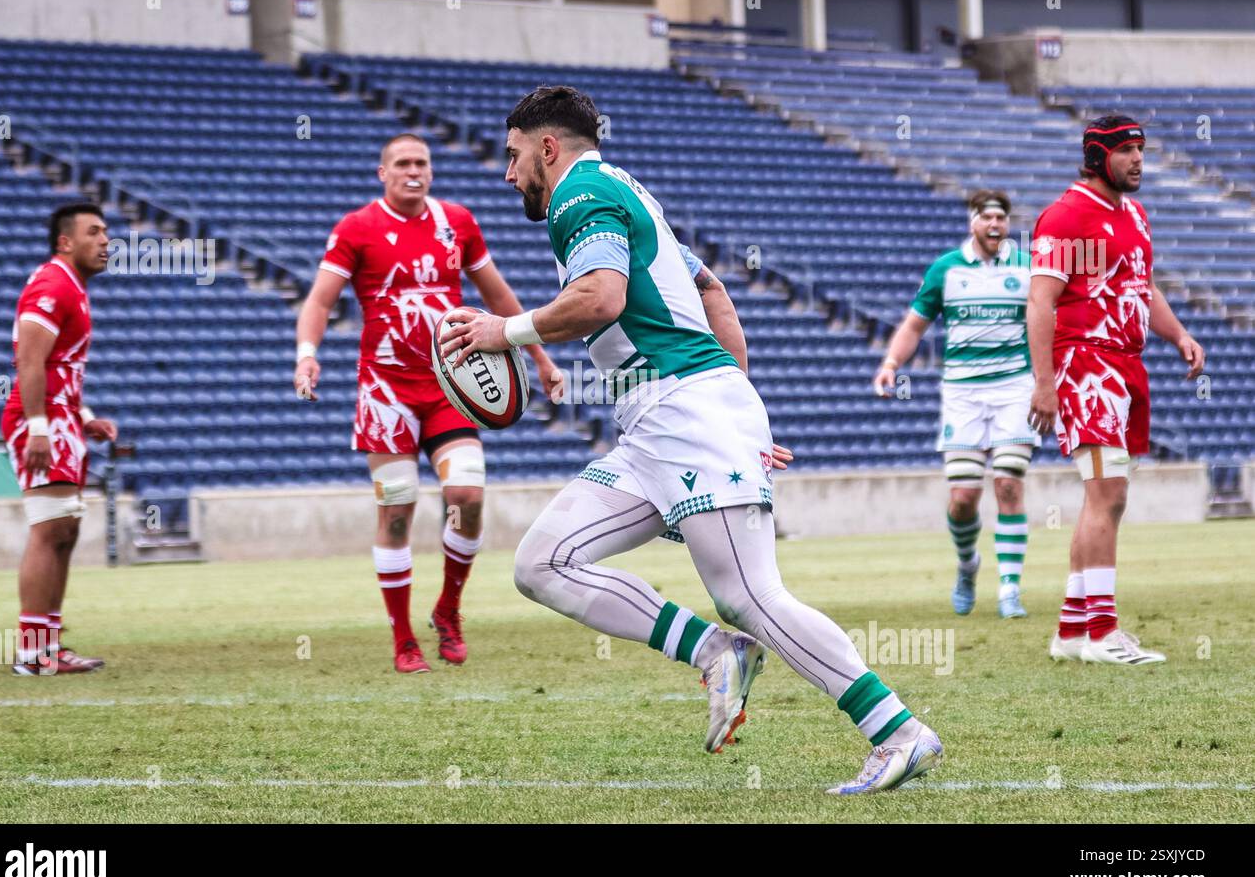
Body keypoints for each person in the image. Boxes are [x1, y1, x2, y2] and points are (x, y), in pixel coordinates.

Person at [441, 86, 943, 794]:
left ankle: (899, 732)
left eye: (515, 155)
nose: (508, 173)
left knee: (749, 592)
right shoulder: (628, 192)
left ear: (547, 148)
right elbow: (713, 294)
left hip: (684, 411)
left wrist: (508, 330)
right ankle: (715, 652)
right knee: (541, 562)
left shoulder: (577, 196)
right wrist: (737, 409)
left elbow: (601, 299)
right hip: (664, 423)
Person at [294, 134, 560, 673]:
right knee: (396, 511)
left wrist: (540, 359)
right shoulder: (355, 229)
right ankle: (402, 639)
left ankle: (449, 609)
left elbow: (497, 295)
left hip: (448, 385)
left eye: (422, 163)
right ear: (382, 172)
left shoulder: (457, 221)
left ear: (431, 172)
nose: (414, 172)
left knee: (467, 495)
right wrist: (306, 354)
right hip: (386, 391)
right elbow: (320, 299)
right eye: (403, 164)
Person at [1028, 115, 1205, 665]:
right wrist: (1044, 383)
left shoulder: (1135, 214)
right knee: (1110, 494)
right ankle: (1103, 632)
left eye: (1142, 149)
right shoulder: (1066, 215)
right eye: (1127, 149)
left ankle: (1072, 632)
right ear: (1098, 155)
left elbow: (1141, 286)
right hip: (1086, 366)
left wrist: (1178, 334)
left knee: (1101, 496)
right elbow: (1040, 302)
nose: (1138, 159)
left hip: (1126, 365)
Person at [874, 190, 1038, 619]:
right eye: (987, 217)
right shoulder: (946, 270)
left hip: (1013, 388)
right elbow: (914, 324)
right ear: (972, 222)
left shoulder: (1027, 266)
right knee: (963, 497)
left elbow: (1048, 318)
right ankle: (968, 566)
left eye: (1001, 217)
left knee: (1007, 483)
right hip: (963, 393)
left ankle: (1009, 589)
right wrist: (891, 362)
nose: (995, 225)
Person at [3, 203, 118, 675]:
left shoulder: (74, 287)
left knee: (64, 532)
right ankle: (32, 653)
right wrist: (38, 426)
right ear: (65, 242)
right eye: (94, 232)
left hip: (62, 417)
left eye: (107, 232)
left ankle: (47, 644)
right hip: (42, 421)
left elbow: (60, 366)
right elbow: (29, 362)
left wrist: (84, 414)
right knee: (49, 530)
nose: (106, 240)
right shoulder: (52, 285)